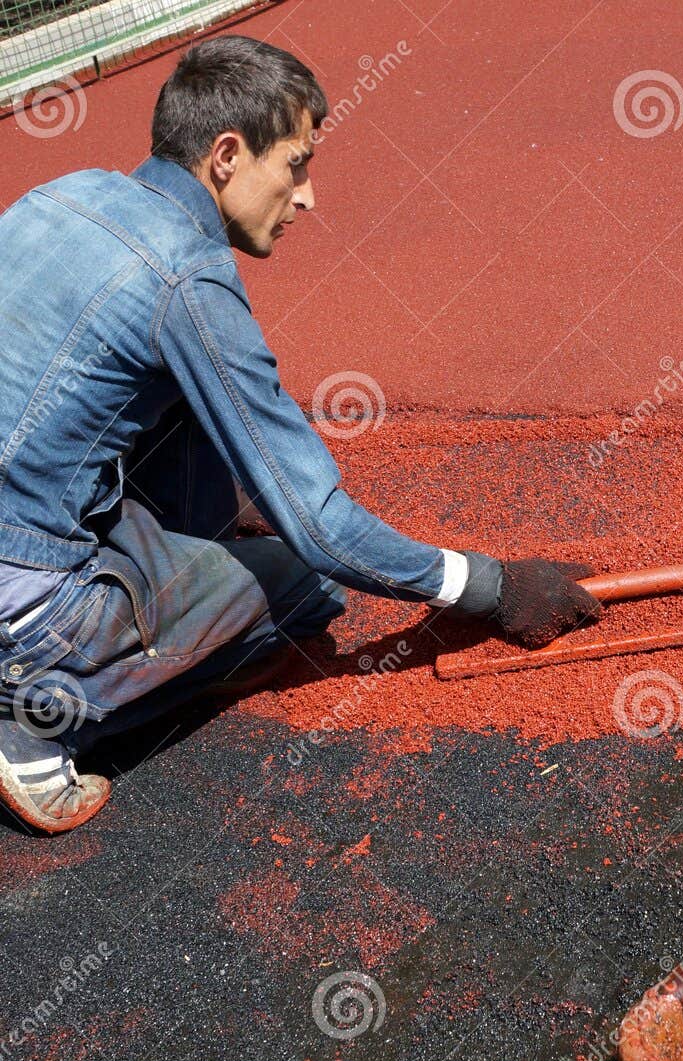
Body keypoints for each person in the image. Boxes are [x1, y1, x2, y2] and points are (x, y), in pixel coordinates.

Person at [0, 36, 601, 834]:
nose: (308, 196)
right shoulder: (188, 277)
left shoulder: (62, 193)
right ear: (226, 155)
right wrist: (489, 588)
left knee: (174, 404)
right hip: (26, 603)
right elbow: (322, 529)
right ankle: (43, 726)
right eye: (295, 163)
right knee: (306, 592)